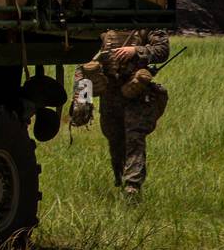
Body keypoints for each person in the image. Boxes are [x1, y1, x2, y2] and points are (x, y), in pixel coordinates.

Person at [71, 29, 170, 199]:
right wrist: (82, 96)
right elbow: (84, 62)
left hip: (135, 90)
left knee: (134, 137)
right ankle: (120, 180)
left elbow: (162, 50)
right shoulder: (97, 25)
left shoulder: (144, 25)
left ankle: (132, 186)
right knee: (114, 139)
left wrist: (135, 51)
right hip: (109, 91)